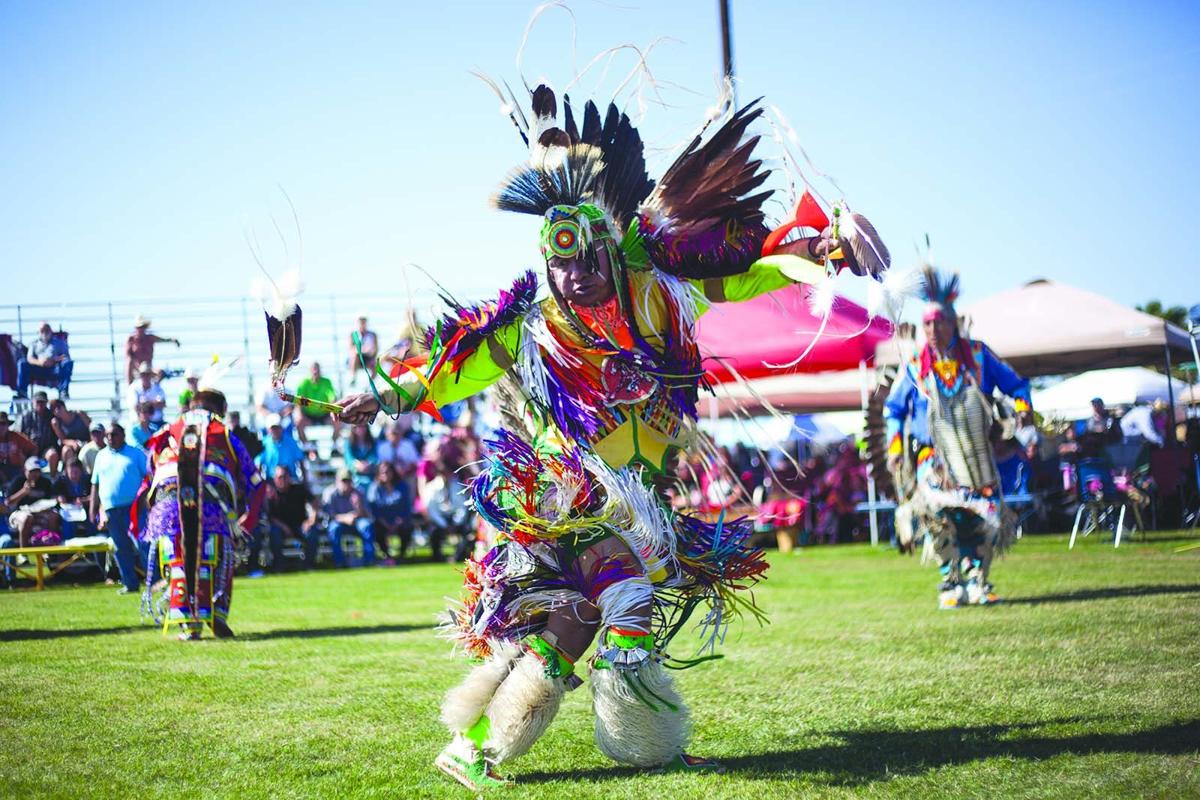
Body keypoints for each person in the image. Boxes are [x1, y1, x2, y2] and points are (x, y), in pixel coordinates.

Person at [329, 86, 882, 788]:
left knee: (569, 629)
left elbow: (746, 275)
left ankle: (477, 743)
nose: (576, 276)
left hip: (640, 500)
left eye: (588, 259)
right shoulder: (529, 325)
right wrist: (382, 393)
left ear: (610, 251)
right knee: (626, 605)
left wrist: (827, 245)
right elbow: (446, 371)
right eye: (561, 264)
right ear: (546, 263)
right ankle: (642, 742)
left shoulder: (660, 289)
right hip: (567, 497)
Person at [883, 268, 1032, 609]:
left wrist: (1022, 408)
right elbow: (894, 410)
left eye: (940, 323)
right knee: (937, 517)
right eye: (928, 325)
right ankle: (950, 581)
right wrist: (895, 447)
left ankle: (978, 579)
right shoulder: (914, 368)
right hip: (931, 460)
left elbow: (1017, 385)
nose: (934, 331)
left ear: (953, 322)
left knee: (985, 516)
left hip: (976, 454)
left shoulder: (978, 357)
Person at [139, 375, 264, 639]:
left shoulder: (168, 430)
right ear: (220, 409)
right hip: (212, 509)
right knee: (217, 556)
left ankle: (189, 624)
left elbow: (150, 469)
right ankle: (216, 616)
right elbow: (256, 481)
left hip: (169, 507)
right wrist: (247, 520)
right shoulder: (223, 432)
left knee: (179, 559)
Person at [89, 423, 147, 594]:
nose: (110, 438)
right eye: (107, 435)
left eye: (114, 434)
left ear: (123, 435)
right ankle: (130, 584)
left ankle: (155, 580)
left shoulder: (136, 454)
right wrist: (93, 510)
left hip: (135, 508)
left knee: (143, 544)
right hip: (111, 510)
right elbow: (95, 484)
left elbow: (147, 479)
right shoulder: (101, 456)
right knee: (121, 548)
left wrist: (145, 502)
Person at [262, 466, 319, 571]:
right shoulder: (271, 494)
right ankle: (279, 566)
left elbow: (315, 502)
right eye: (280, 477)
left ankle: (309, 565)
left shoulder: (298, 488)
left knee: (312, 532)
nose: (282, 480)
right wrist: (284, 527)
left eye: (285, 477)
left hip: (300, 525)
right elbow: (270, 517)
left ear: (289, 477)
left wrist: (311, 520)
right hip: (280, 527)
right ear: (275, 479)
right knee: (274, 533)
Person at [321, 467, 375, 567]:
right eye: (343, 481)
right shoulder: (331, 494)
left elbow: (368, 515)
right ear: (337, 481)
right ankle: (339, 563)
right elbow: (329, 516)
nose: (346, 483)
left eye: (348, 480)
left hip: (356, 522)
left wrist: (358, 507)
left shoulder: (359, 492)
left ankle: (369, 560)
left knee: (366, 525)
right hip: (339, 522)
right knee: (334, 528)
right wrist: (346, 518)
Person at [2, 456, 61, 549]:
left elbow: (50, 501)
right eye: (32, 471)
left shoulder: (45, 482)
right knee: (27, 517)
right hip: (18, 513)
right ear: (25, 470)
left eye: (37, 471)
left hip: (39, 512)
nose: (35, 474)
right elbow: (8, 503)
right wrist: (23, 492)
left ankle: (51, 549)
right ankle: (24, 552)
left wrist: (56, 501)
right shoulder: (18, 481)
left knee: (54, 515)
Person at [366, 460, 412, 563]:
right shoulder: (375, 488)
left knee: (407, 528)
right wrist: (386, 524)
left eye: (388, 471)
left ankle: (402, 556)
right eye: (383, 472)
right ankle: (387, 556)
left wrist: (398, 522)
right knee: (376, 530)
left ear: (393, 472)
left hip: (399, 521)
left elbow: (406, 506)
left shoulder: (402, 486)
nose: (385, 474)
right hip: (382, 521)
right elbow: (374, 509)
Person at [16, 322, 74, 399]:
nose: (44, 332)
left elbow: (66, 356)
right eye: (42, 330)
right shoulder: (34, 344)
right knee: (22, 363)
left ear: (51, 330)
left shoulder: (60, 343)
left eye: (47, 329)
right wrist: (40, 362)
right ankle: (22, 392)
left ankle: (63, 391)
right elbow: (29, 358)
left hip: (54, 369)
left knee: (67, 363)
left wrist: (53, 360)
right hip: (38, 368)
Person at [294, 362, 341, 444]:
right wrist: (299, 414)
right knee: (298, 422)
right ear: (310, 371)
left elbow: (332, 397)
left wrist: (333, 410)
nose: (315, 371)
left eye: (317, 369)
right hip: (308, 416)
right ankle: (307, 447)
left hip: (324, 415)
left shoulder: (326, 382)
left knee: (337, 420)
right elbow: (298, 401)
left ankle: (334, 445)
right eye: (313, 369)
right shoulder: (304, 383)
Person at [125, 315, 179, 384]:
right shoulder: (131, 340)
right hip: (137, 369)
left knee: (160, 373)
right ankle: (129, 387)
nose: (141, 329)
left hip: (149, 368)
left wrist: (173, 340)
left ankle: (154, 388)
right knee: (129, 361)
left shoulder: (150, 338)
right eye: (139, 327)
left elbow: (164, 340)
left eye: (143, 327)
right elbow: (127, 356)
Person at [256, 414, 307, 483]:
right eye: (273, 428)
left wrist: (304, 481)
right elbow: (258, 464)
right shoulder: (264, 443)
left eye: (278, 427)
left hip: (290, 480)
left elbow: (300, 460)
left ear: (282, 428)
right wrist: (259, 484)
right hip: (271, 481)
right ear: (268, 430)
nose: (275, 431)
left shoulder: (291, 442)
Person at [0, 412, 37, 485]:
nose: (1, 427)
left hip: (16, 468)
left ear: (8, 425)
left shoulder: (16, 436)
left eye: (4, 424)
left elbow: (34, 448)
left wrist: (28, 462)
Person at [17, 391, 60, 455]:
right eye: (38, 402)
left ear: (46, 402)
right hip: (30, 449)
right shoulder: (25, 416)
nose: (40, 404)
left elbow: (58, 436)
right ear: (33, 402)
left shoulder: (52, 416)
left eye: (42, 402)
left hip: (47, 448)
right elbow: (18, 434)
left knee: (52, 454)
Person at [126, 363, 167, 427]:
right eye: (143, 374)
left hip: (157, 423)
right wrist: (152, 404)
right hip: (138, 424)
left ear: (151, 375)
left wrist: (145, 404)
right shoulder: (133, 387)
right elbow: (135, 406)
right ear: (140, 375)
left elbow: (162, 404)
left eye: (148, 374)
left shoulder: (157, 387)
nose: (145, 376)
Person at [343, 423, 378, 489]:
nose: (360, 429)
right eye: (357, 427)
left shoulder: (372, 442)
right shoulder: (348, 443)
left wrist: (368, 464)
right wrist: (358, 465)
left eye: (363, 426)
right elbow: (349, 459)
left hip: (370, 474)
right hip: (354, 475)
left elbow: (374, 457)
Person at [348, 313, 378, 384]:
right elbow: (350, 348)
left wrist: (369, 351)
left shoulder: (372, 335)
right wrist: (360, 350)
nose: (362, 324)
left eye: (364, 322)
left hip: (368, 357)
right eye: (360, 322)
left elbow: (375, 348)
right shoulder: (353, 335)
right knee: (355, 356)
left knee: (375, 364)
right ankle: (353, 377)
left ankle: (371, 383)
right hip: (357, 357)